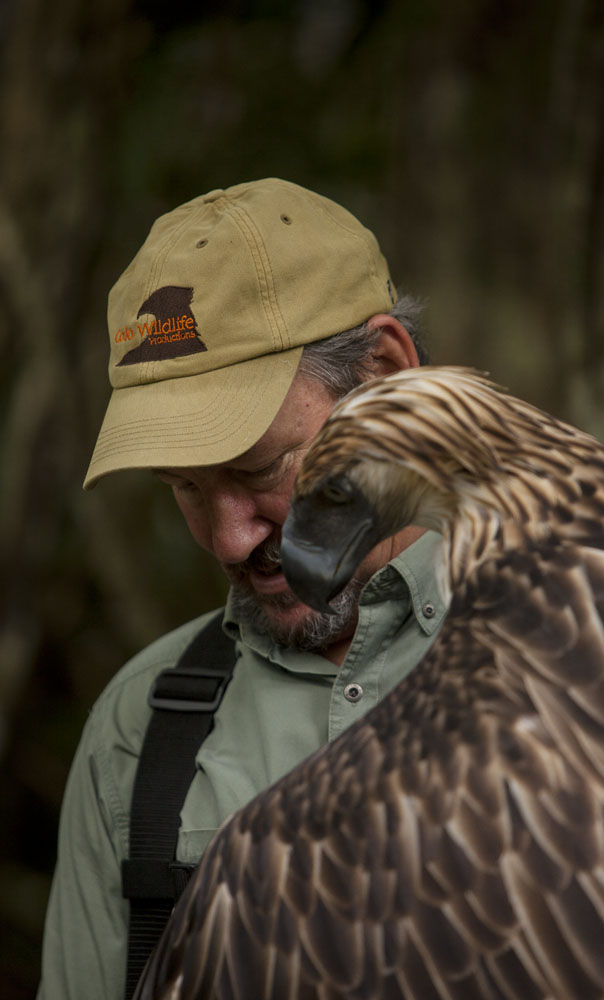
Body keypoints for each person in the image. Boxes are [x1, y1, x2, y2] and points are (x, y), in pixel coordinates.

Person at [38, 178, 447, 999]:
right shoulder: (143, 726)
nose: (229, 537)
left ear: (386, 371)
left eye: (261, 469)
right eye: (183, 486)